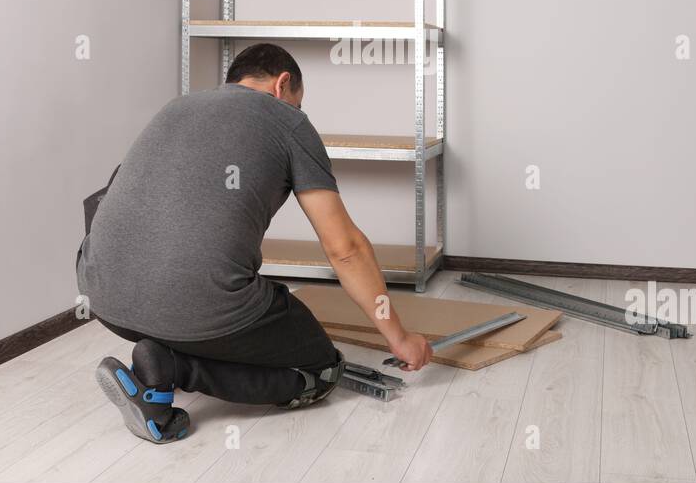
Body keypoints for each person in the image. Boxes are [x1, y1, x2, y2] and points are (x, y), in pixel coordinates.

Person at [76, 43, 433, 443]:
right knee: (321, 372)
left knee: (194, 302)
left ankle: (168, 338)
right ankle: (174, 367)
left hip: (102, 298)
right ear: (283, 85)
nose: (296, 111)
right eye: (297, 102)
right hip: (195, 303)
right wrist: (399, 338)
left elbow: (111, 200)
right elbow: (344, 248)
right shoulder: (288, 122)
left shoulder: (175, 107)